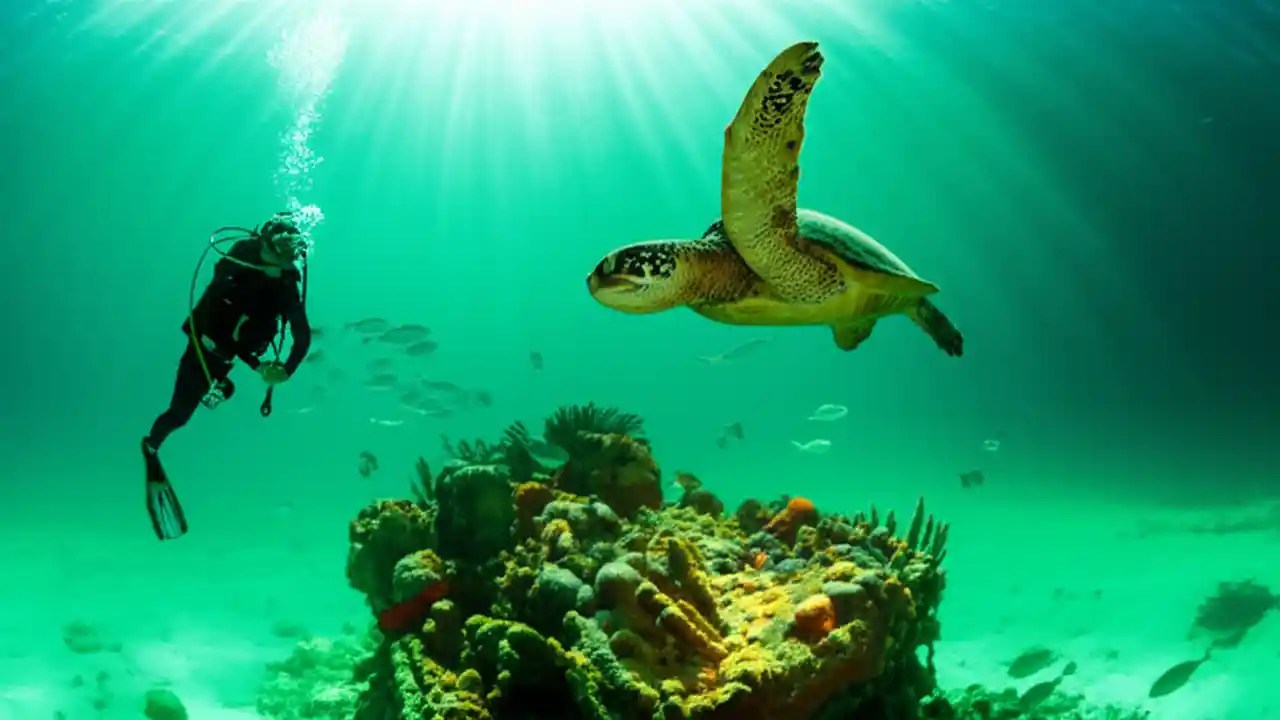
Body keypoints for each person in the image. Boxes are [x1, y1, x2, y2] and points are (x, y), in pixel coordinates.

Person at [142, 212, 313, 541]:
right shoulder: (240, 256)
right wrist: (254, 363)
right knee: (180, 416)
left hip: (231, 357)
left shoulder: (287, 284)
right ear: (264, 242)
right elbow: (214, 316)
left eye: (288, 253)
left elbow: (302, 336)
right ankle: (150, 447)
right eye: (277, 249)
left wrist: (286, 371)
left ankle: (221, 385)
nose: (281, 260)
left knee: (218, 389)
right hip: (203, 350)